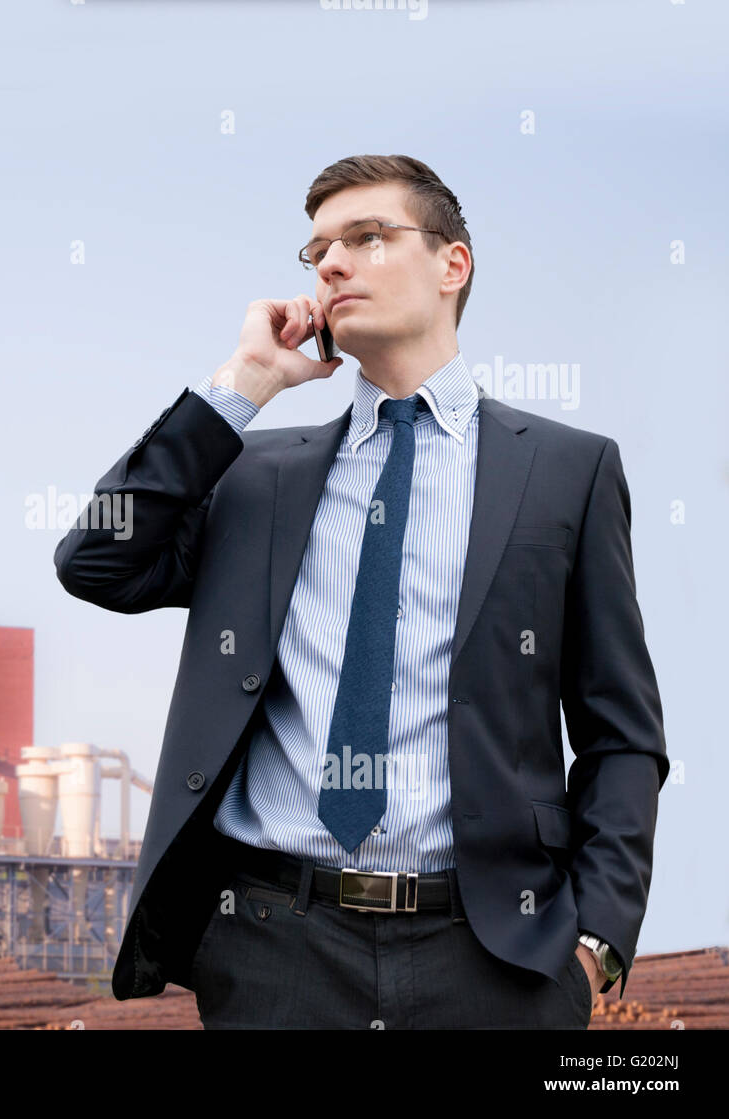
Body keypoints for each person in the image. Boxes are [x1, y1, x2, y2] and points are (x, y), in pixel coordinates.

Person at [53, 154, 667, 1028]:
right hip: (276, 949)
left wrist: (595, 939)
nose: (331, 263)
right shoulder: (257, 477)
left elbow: (622, 735)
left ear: (452, 264)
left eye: (367, 237)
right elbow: (96, 559)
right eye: (317, 250)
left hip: (495, 956)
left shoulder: (568, 472)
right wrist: (244, 384)